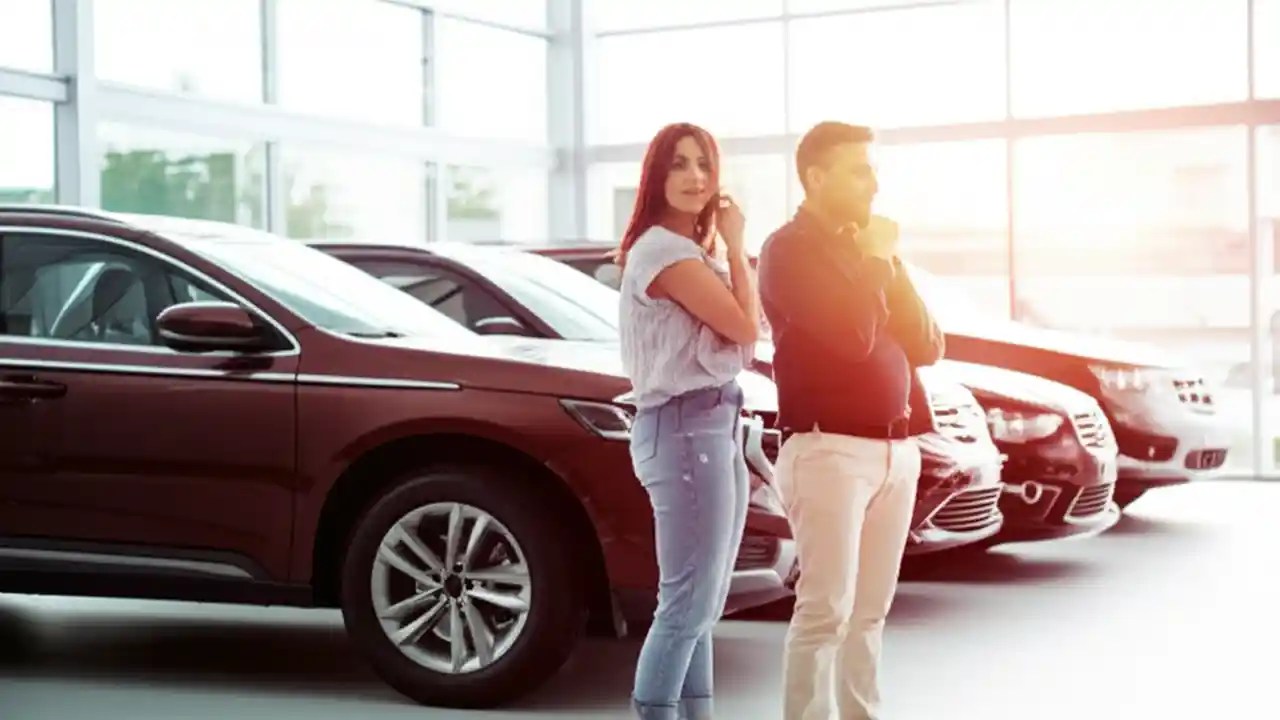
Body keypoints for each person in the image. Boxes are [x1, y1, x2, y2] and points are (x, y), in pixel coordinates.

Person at [757, 121, 944, 720]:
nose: (874, 182)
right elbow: (853, 337)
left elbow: (927, 343)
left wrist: (884, 260)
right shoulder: (787, 251)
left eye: (872, 168)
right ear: (816, 176)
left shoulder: (870, 248)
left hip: (896, 452)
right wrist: (873, 264)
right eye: (858, 169)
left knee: (869, 615)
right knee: (825, 611)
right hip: (827, 452)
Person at [615, 122, 761, 720]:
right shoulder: (663, 252)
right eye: (679, 164)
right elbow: (747, 329)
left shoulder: (686, 251)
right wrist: (737, 242)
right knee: (686, 606)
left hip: (715, 423)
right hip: (684, 429)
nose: (695, 177)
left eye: (704, 164)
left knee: (703, 606)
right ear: (656, 176)